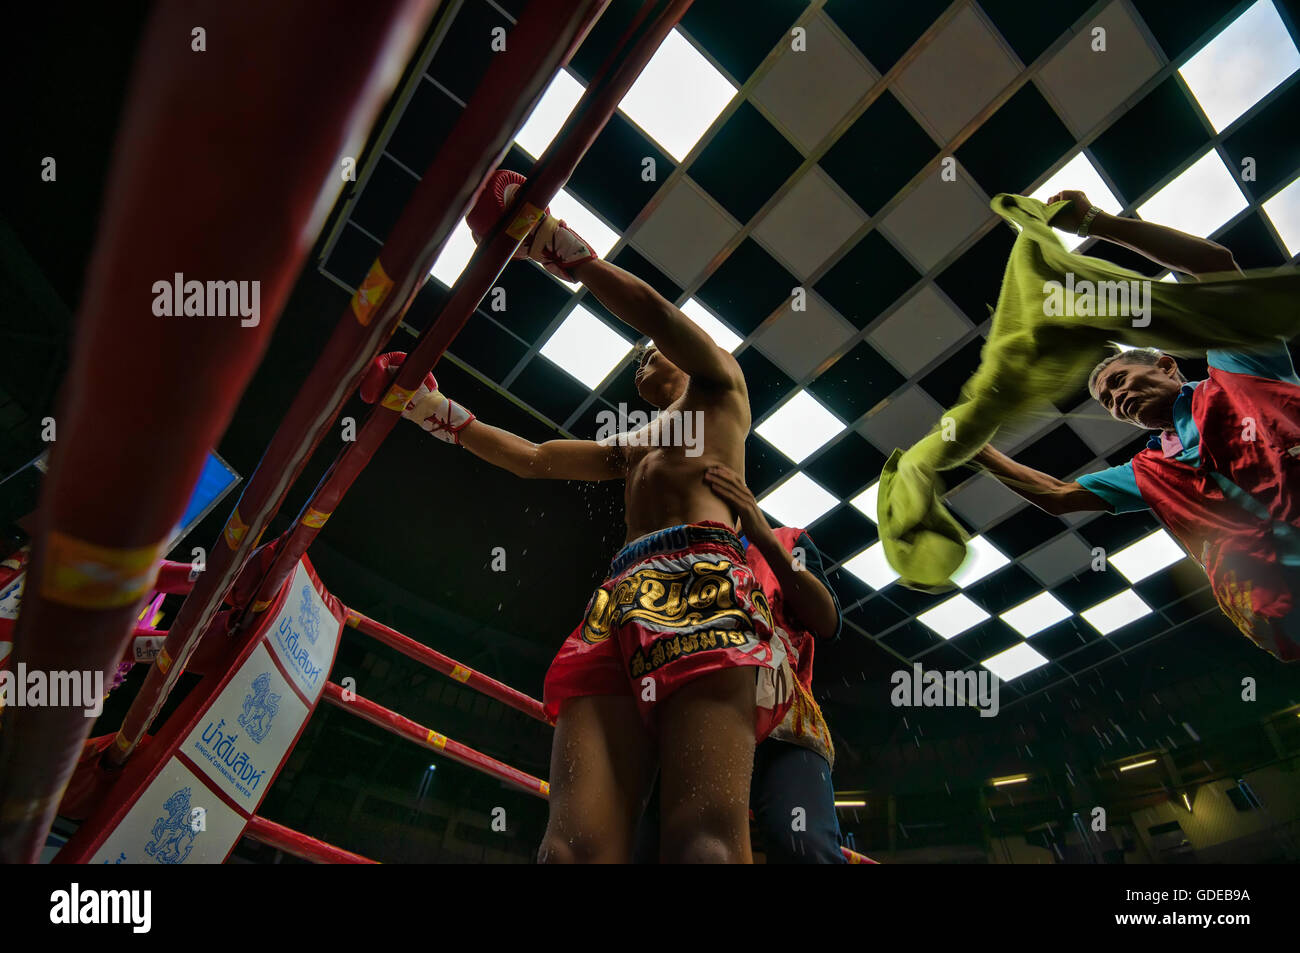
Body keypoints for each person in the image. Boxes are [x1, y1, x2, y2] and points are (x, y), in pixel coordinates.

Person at [362, 170, 792, 863]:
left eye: (656, 355)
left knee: (703, 845)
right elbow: (533, 457)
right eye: (640, 361)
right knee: (568, 850)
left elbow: (653, 312)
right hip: (618, 597)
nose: (644, 362)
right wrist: (432, 412)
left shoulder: (722, 388)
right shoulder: (634, 448)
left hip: (706, 580)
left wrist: (562, 251)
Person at [974, 189, 1300, 660]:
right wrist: (973, 448)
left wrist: (1095, 222)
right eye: (1108, 399)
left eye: (1121, 379)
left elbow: (1215, 265)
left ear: (1167, 365)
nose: (1117, 396)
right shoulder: (1148, 470)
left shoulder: (1239, 368)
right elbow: (1058, 496)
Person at [633, 464, 846, 863]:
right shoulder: (679, 560)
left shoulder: (787, 541)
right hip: (699, 719)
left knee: (803, 843)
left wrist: (764, 536)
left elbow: (828, 621)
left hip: (784, 727)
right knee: (653, 845)